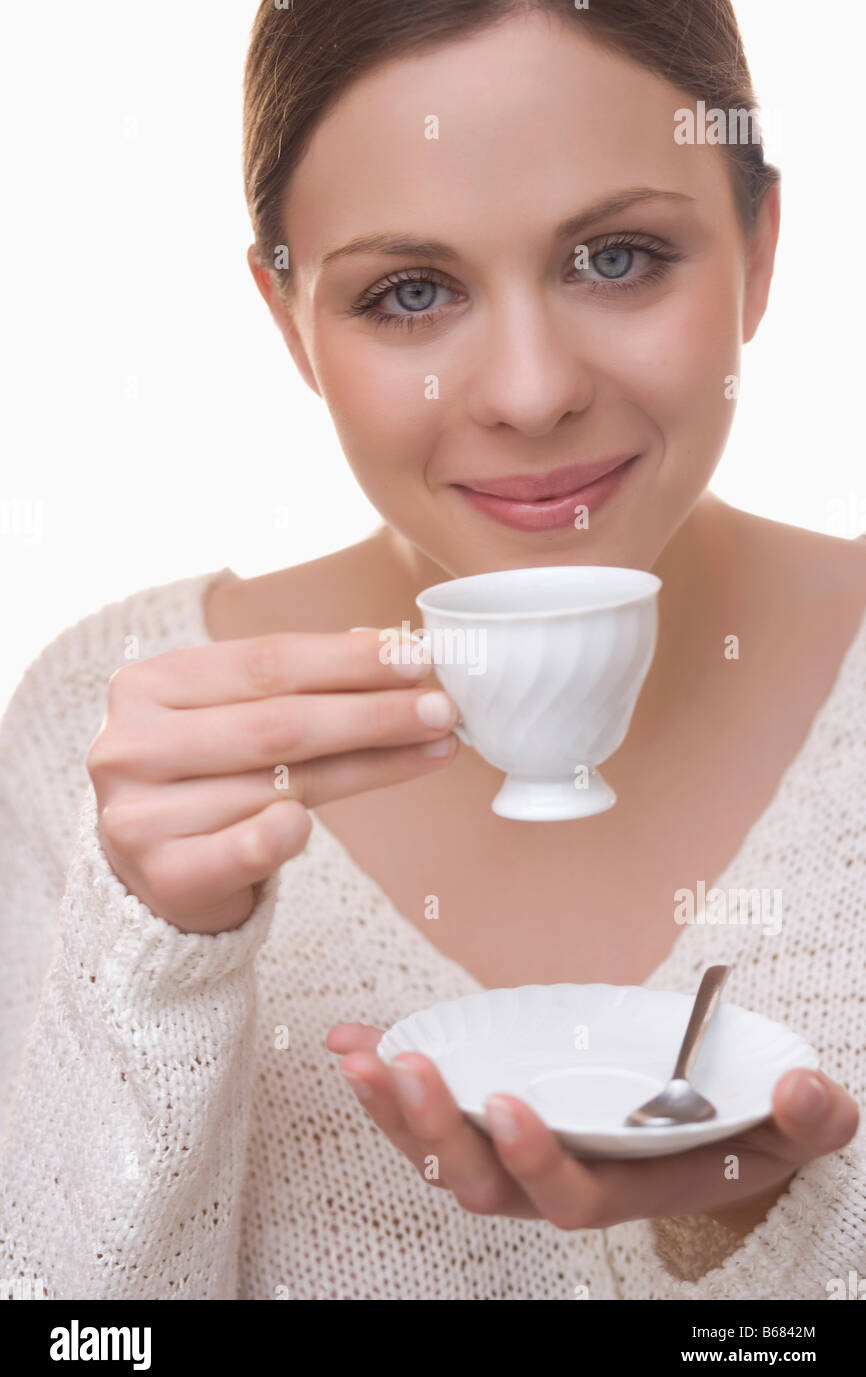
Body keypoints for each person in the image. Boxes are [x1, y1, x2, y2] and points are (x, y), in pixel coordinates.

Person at [1, 0, 863, 1300]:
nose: (527, 390)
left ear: (759, 243)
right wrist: (156, 958)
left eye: (618, 257)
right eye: (409, 292)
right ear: (287, 318)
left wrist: (779, 1223)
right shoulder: (106, 737)